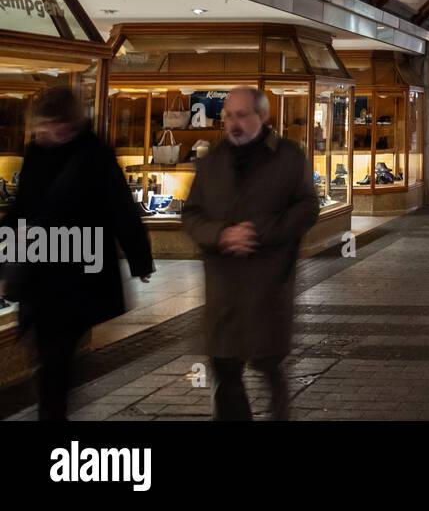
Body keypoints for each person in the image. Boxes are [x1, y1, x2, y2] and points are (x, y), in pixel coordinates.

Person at [0, 88, 153, 420]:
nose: (46, 133)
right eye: (41, 127)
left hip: (78, 273)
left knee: (58, 356)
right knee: (44, 351)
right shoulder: (36, 153)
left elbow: (121, 209)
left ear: (69, 122)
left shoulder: (94, 155)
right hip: (39, 269)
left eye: (52, 125)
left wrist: (140, 258)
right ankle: (50, 401)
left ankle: (52, 410)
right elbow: (21, 209)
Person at [182, 86, 319, 420]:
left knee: (268, 364)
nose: (234, 123)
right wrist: (222, 235)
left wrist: (259, 234)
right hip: (224, 287)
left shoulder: (287, 156)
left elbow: (306, 207)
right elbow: (191, 215)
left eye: (242, 115)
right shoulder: (212, 161)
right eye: (228, 116)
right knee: (225, 369)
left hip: (267, 282)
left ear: (263, 116)